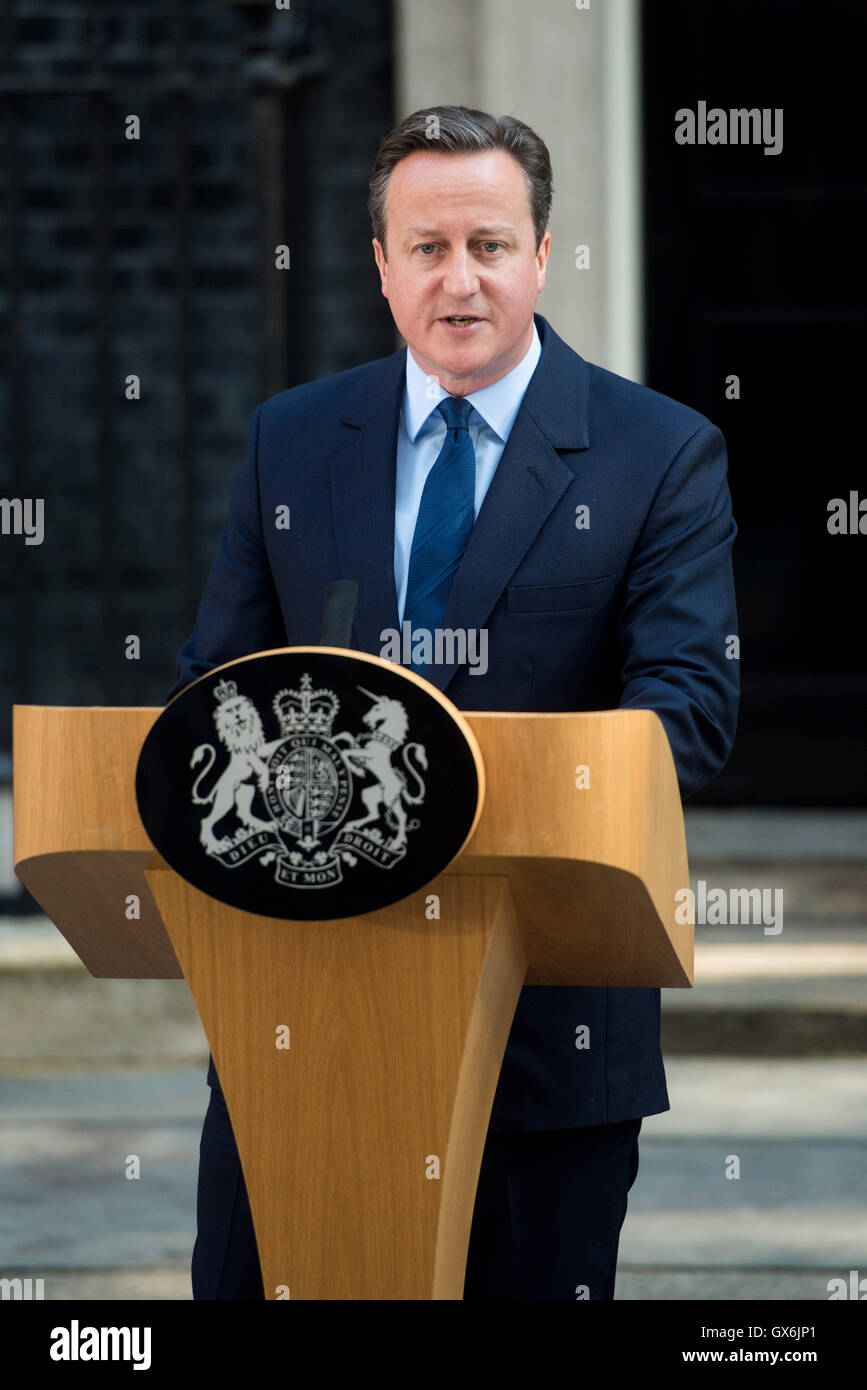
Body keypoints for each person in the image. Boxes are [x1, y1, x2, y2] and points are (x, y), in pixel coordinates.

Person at [165, 105, 739, 1300]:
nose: (460, 280)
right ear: (382, 267)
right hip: (300, 1028)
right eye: (427, 248)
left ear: (542, 253)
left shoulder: (659, 453)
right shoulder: (292, 440)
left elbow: (685, 717)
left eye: (489, 244)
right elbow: (210, 692)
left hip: (545, 1038)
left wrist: (460, 796)